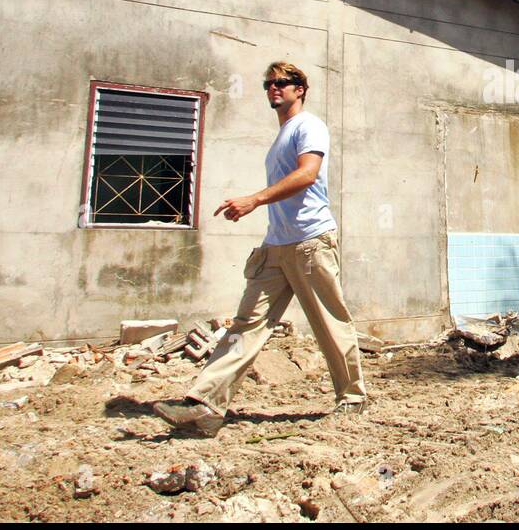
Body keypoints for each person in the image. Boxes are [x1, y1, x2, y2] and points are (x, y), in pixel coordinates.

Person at [153, 61, 367, 437]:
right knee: (247, 324)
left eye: (283, 83)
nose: (274, 88)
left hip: (309, 242)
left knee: (330, 324)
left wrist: (254, 200)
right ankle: (205, 405)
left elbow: (307, 174)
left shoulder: (308, 126)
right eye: (268, 83)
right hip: (277, 245)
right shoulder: (282, 134)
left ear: (300, 89)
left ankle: (352, 398)